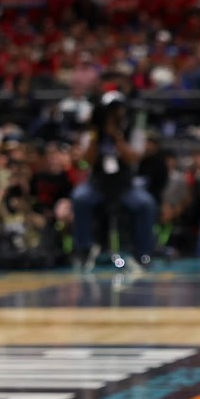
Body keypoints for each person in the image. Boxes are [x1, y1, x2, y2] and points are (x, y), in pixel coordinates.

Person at [71, 92, 158, 270]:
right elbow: (86, 161)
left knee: (145, 204)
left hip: (124, 186)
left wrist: (116, 137)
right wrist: (97, 136)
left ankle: (143, 253)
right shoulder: (93, 130)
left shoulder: (134, 129)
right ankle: (84, 249)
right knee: (79, 198)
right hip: (97, 185)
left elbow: (133, 158)